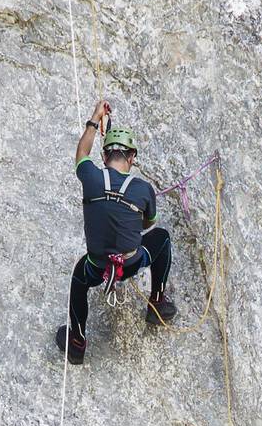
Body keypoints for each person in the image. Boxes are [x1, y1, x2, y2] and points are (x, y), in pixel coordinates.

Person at [56, 100, 176, 364]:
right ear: (131, 157)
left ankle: (77, 342)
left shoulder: (91, 176)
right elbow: (149, 224)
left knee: (79, 278)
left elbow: (81, 154)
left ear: (104, 156)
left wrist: (94, 118)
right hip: (131, 261)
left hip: (97, 266)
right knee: (162, 239)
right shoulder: (144, 189)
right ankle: (156, 303)